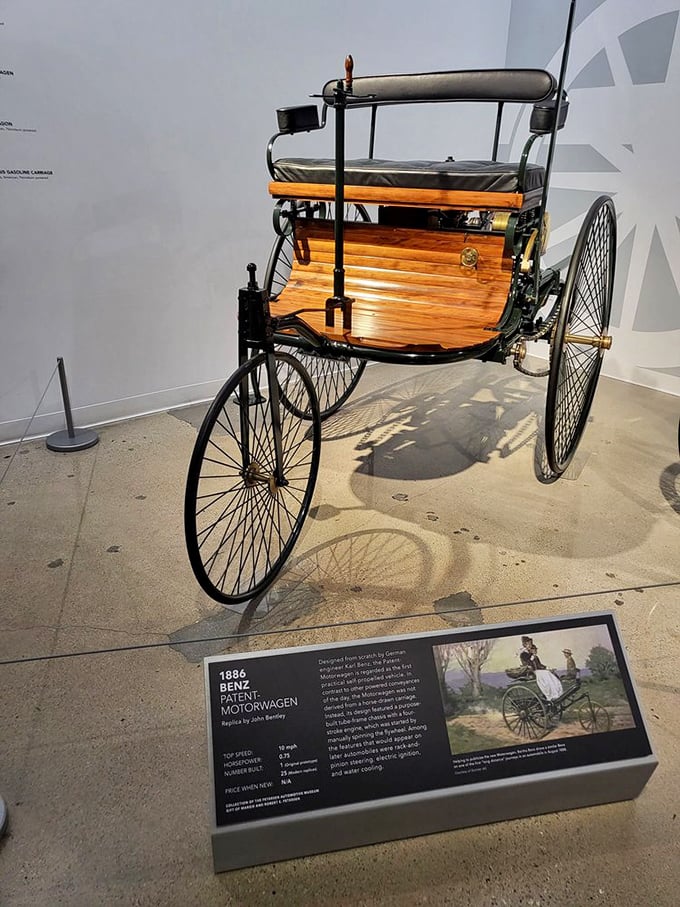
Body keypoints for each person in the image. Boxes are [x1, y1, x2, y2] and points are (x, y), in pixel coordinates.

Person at [520, 636, 563, 702]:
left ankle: (556, 693)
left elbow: (539, 665)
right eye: (529, 644)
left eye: (531, 643)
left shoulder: (533, 655)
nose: (530, 645)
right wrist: (533, 656)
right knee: (546, 673)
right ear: (525, 644)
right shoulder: (523, 654)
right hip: (531, 672)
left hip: (538, 671)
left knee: (549, 673)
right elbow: (528, 663)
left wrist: (547, 668)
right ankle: (550, 695)